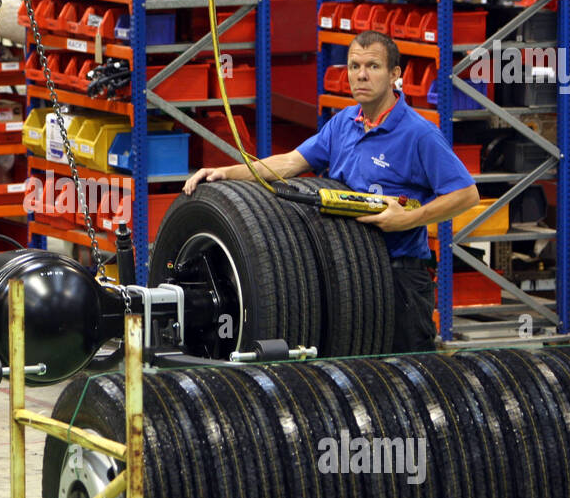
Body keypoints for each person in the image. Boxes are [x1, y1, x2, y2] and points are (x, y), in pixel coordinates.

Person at [183, 31, 481, 352]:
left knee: (404, 378)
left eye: (373, 66)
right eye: (354, 66)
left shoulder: (419, 133)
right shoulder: (343, 123)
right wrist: (225, 173)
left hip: (398, 281)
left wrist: (410, 219)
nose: (361, 75)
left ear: (395, 75)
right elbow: (288, 163)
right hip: (345, 278)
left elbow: (466, 194)